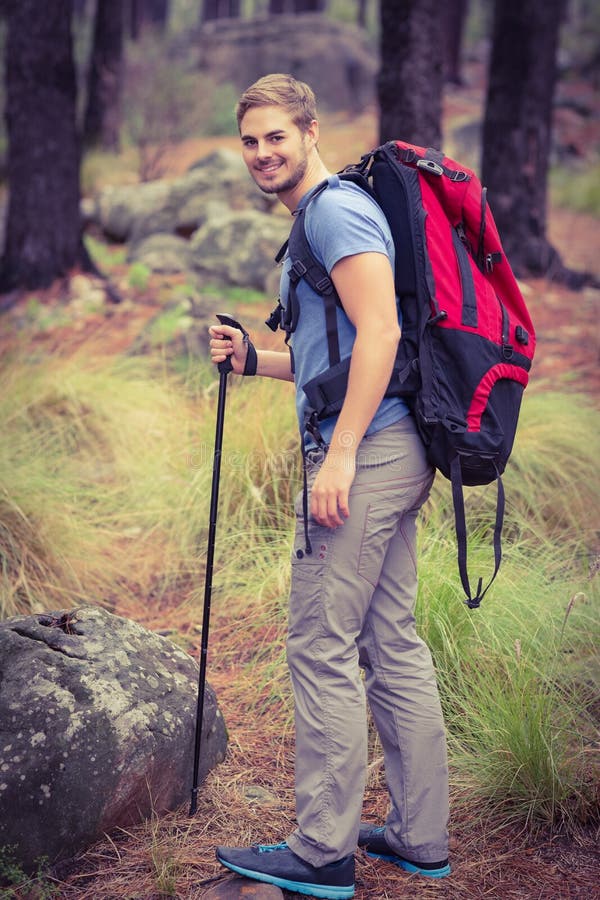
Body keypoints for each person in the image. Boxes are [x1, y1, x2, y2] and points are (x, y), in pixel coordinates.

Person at [209, 74, 450, 900]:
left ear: (310, 131)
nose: (263, 153)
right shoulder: (318, 219)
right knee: (390, 642)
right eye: (250, 140)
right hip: (391, 447)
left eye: (277, 135)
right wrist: (254, 359)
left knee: (320, 642)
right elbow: (336, 358)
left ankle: (321, 851)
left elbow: (381, 330)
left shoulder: (337, 212)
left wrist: (341, 455)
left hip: (370, 454)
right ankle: (421, 836)